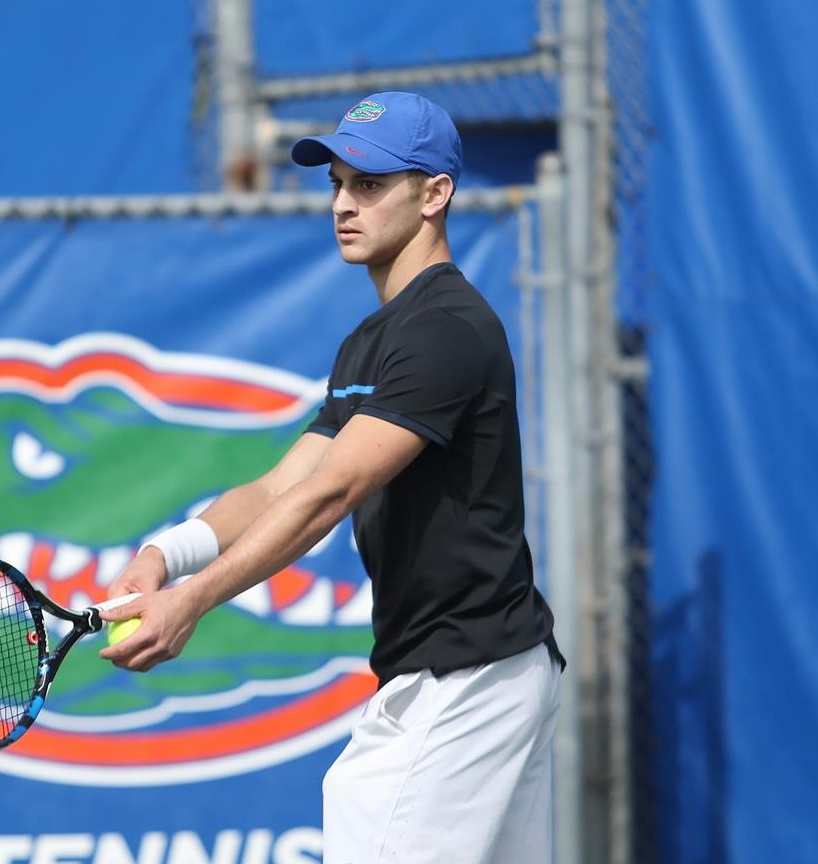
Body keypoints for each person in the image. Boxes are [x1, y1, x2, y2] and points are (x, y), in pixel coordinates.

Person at [99, 91, 564, 863]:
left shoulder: (445, 329)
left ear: (434, 194)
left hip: (465, 681)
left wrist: (192, 602)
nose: (344, 204)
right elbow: (280, 486)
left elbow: (330, 494)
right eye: (338, 184)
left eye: (370, 184)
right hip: (481, 671)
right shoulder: (370, 343)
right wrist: (164, 557)